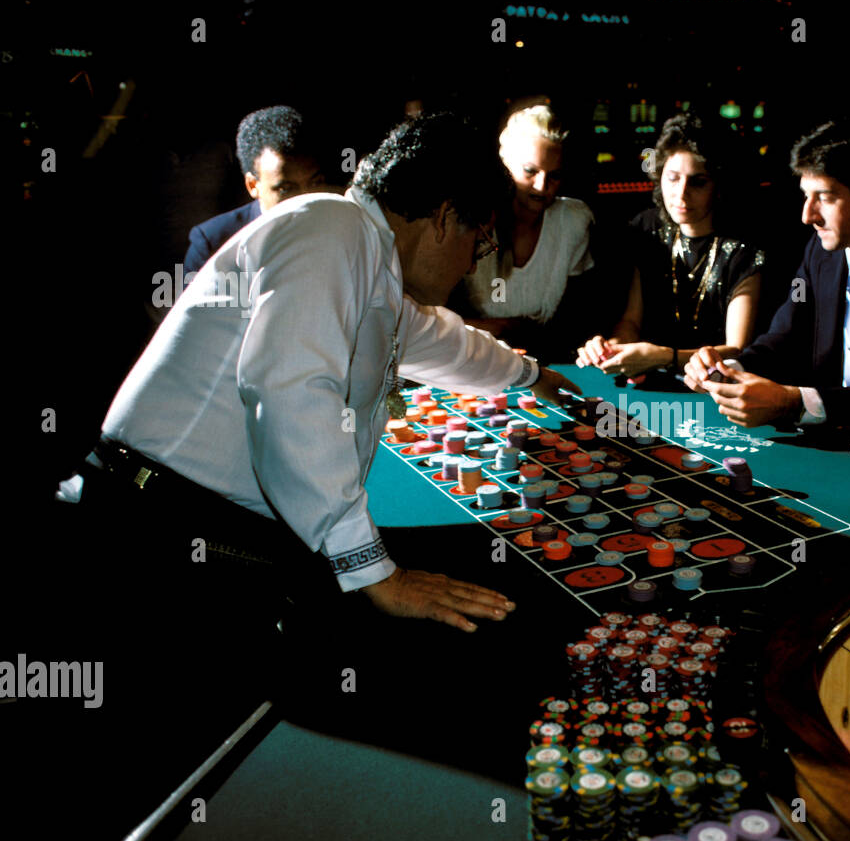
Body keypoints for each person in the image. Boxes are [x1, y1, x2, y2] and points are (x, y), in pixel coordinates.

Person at [86, 112, 579, 633]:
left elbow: (437, 340)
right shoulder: (331, 228)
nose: (469, 266)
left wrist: (529, 375)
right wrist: (375, 572)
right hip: (155, 525)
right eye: (478, 243)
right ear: (442, 216)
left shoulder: (368, 259)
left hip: (185, 521)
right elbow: (290, 394)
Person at [683, 118, 850, 436]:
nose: (808, 215)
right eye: (806, 195)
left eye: (826, 198)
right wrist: (727, 369)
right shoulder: (821, 250)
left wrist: (796, 402)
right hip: (831, 436)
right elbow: (783, 338)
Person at [576, 112, 762, 377]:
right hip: (652, 380)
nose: (681, 194)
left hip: (717, 385)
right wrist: (611, 349)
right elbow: (630, 322)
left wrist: (664, 357)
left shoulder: (743, 247)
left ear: (719, 184)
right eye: (673, 178)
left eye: (698, 182)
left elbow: (739, 349)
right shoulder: (647, 229)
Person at [455, 103, 596, 361]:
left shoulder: (573, 221)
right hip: (468, 357)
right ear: (506, 164)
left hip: (544, 358)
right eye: (530, 171)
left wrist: (507, 329)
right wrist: (501, 328)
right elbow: (430, 317)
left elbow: (576, 324)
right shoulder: (473, 220)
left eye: (553, 176)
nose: (542, 186)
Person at [181, 105, 328, 280]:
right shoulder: (213, 245)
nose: (306, 198)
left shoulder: (343, 225)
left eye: (315, 182)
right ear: (252, 185)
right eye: (286, 189)